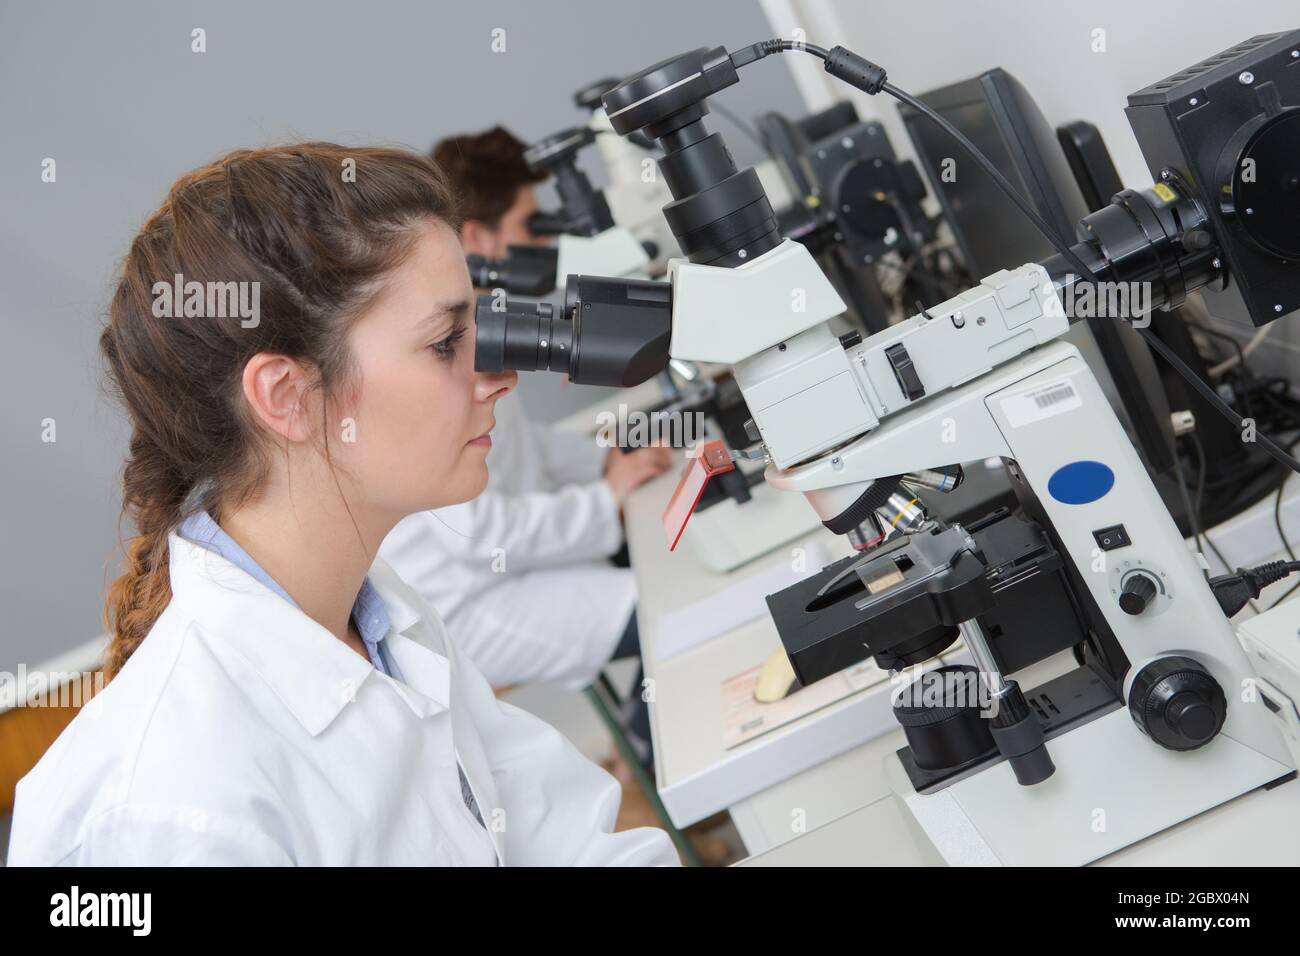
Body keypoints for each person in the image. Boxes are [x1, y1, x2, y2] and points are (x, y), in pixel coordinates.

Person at [7, 143, 678, 866]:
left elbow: (568, 839)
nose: (501, 373)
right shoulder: (172, 810)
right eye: (448, 340)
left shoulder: (385, 622)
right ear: (287, 397)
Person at [380, 128, 669, 763]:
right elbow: (483, 535)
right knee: (664, 610)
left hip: (502, 564)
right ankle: (654, 766)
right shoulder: (434, 357)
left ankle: (647, 738)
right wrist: (605, 499)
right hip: (467, 602)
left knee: (658, 557)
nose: (547, 242)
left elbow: (521, 448)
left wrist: (610, 462)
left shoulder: (476, 330)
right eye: (533, 225)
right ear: (477, 239)